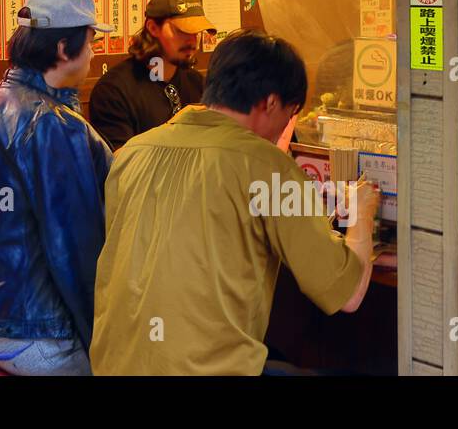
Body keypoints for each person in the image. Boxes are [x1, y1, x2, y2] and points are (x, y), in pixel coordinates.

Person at [90, 29, 380, 376]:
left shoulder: (134, 152)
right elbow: (348, 295)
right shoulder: (266, 165)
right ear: (271, 103)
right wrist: (361, 211)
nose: (285, 128)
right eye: (290, 115)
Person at [0, 0, 115, 375]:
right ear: (62, 49)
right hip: (37, 335)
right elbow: (75, 250)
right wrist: (102, 339)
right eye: (90, 42)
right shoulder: (55, 125)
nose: (92, 54)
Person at [88, 0, 215, 151]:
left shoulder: (197, 83)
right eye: (182, 31)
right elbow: (119, 165)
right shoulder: (114, 90)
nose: (192, 41)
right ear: (153, 28)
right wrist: (177, 126)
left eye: (196, 32)